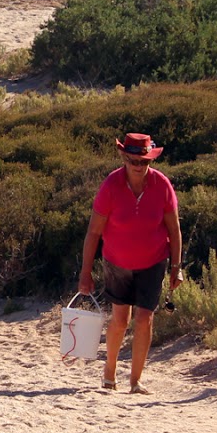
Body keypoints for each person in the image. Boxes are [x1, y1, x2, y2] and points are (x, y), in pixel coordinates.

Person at [78, 132, 183, 394]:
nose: (138, 166)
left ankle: (135, 380)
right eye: (133, 161)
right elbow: (93, 232)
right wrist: (86, 272)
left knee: (144, 318)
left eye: (144, 162)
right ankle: (109, 370)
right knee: (121, 319)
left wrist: (176, 267)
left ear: (150, 161)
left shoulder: (162, 186)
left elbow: (175, 229)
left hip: (154, 261)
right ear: (124, 158)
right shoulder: (111, 186)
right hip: (117, 262)